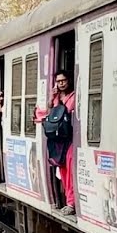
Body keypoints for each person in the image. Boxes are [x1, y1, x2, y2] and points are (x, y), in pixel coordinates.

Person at [36, 69, 76, 216]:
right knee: (63, 170)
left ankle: (71, 203)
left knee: (70, 171)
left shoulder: (74, 96)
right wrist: (52, 98)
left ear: (69, 80)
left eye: (63, 81)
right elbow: (47, 114)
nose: (61, 84)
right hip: (57, 141)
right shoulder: (56, 97)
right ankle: (68, 200)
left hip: (70, 139)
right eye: (58, 81)